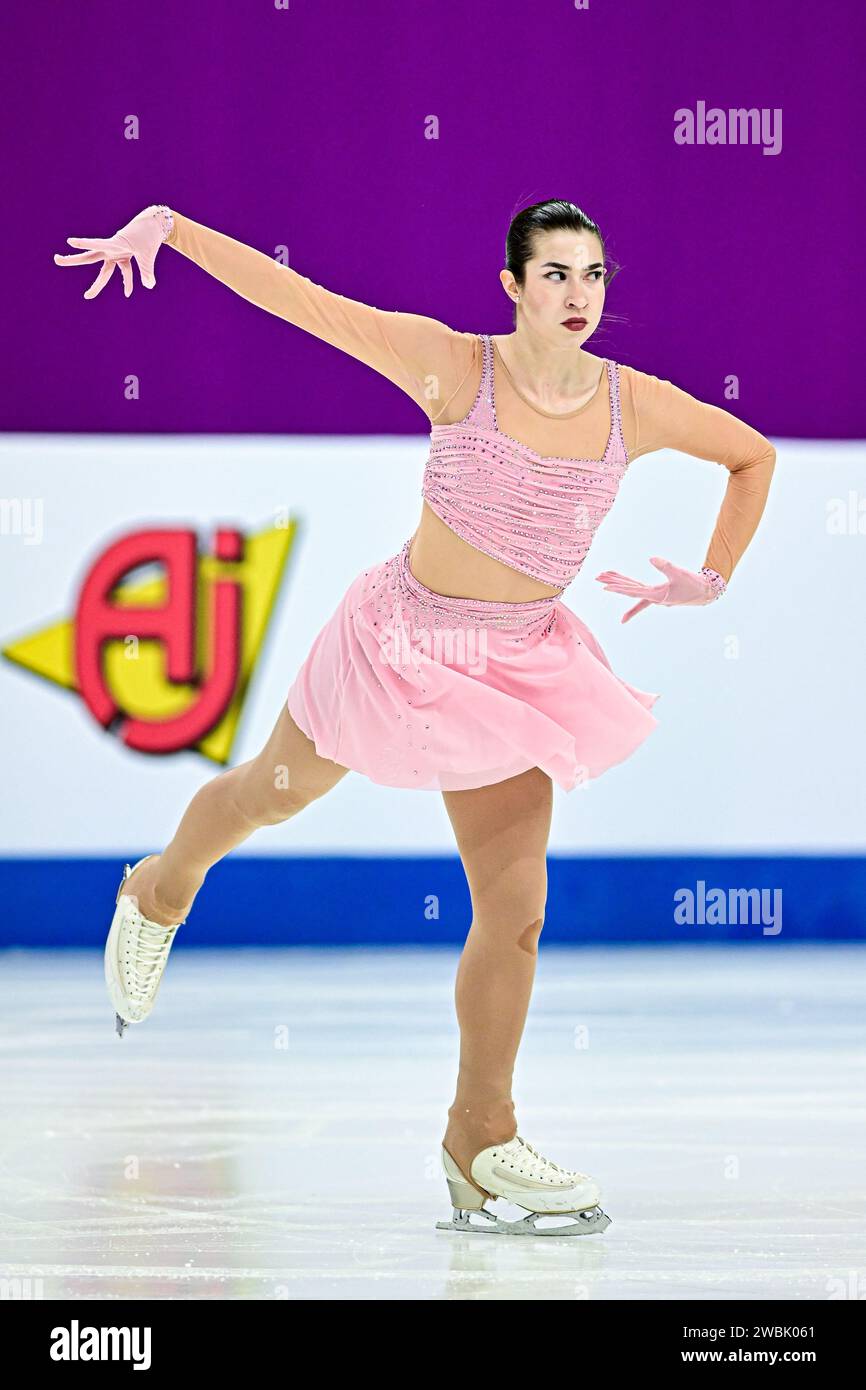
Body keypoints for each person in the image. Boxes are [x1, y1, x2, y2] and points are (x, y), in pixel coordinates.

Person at [54, 198, 776, 1236]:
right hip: (399, 641)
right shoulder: (451, 366)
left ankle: (478, 1135)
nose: (577, 295)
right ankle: (160, 887)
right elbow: (304, 303)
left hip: (515, 667)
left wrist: (710, 577)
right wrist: (170, 226)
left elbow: (751, 454)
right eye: (555, 274)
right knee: (271, 792)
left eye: (592, 276)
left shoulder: (634, 404)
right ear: (512, 288)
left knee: (515, 907)